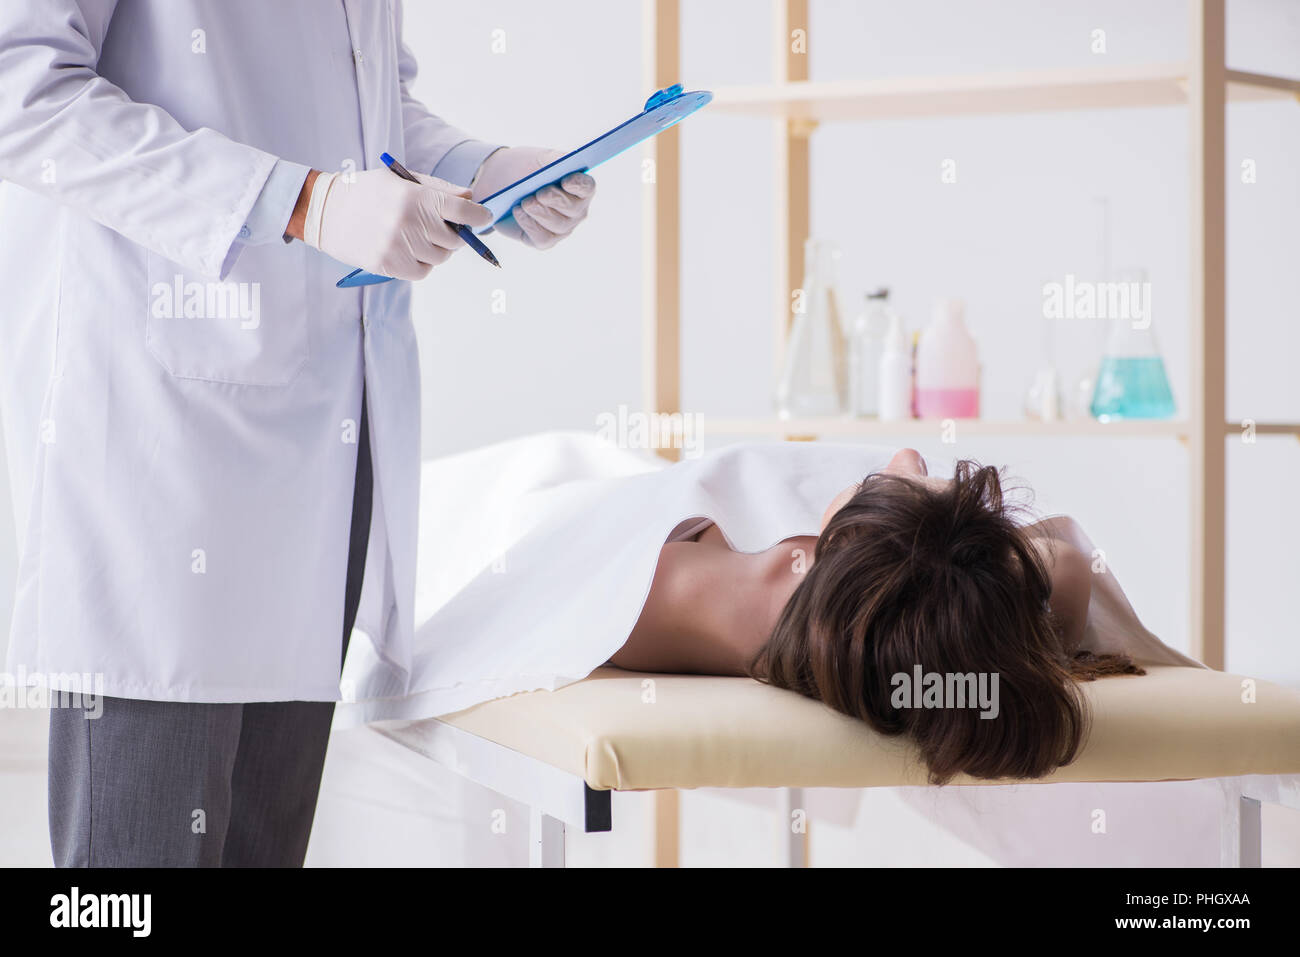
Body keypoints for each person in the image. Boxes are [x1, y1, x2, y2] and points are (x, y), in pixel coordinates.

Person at [0, 0, 594, 867]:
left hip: (325, 443)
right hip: (161, 439)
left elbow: (361, 107)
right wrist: (303, 202)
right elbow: (22, 85)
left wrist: (483, 170)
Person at [610, 447, 1140, 784]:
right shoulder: (923, 617)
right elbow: (1067, 563)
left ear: (846, 541)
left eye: (878, 483)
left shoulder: (687, 589)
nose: (907, 455)